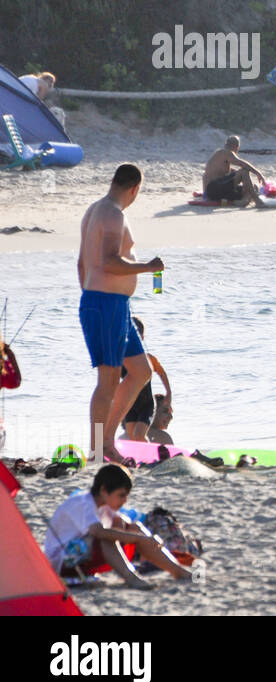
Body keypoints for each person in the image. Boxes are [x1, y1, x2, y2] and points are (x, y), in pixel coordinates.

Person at [78, 164, 165, 465]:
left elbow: (82, 264)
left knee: (141, 371)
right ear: (135, 189)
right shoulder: (112, 214)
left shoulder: (94, 210)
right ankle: (98, 449)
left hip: (112, 305)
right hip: (105, 304)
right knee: (108, 380)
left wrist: (92, 295)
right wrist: (148, 267)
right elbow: (108, 262)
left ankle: (107, 440)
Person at [43, 464, 191, 588]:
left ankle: (177, 570)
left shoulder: (104, 505)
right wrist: (139, 539)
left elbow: (127, 526)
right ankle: (130, 577)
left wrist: (144, 537)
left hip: (81, 557)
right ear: (103, 490)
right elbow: (98, 532)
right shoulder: (84, 503)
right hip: (63, 562)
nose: (125, 501)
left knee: (135, 528)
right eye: (121, 495)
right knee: (107, 537)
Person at [120, 318, 172, 443]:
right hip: (130, 404)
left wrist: (168, 393)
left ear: (142, 337)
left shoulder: (147, 358)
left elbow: (161, 372)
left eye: (137, 333)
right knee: (132, 436)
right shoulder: (120, 359)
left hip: (146, 404)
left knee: (139, 436)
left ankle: (151, 458)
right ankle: (140, 460)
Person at [201, 135, 267, 207]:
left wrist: (205, 196)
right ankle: (257, 201)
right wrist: (258, 173)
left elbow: (206, 176)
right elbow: (241, 163)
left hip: (214, 192)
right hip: (214, 189)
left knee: (254, 187)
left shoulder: (218, 155)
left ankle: (243, 200)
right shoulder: (226, 152)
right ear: (237, 147)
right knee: (244, 171)